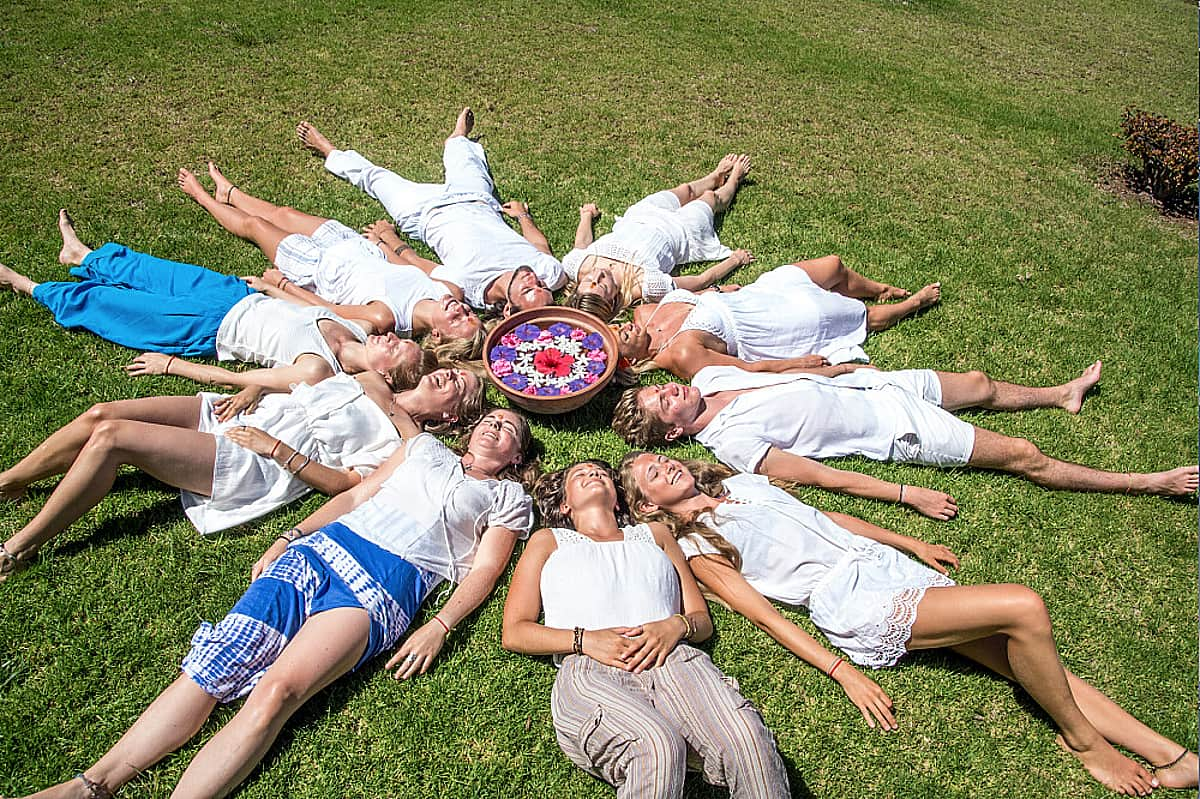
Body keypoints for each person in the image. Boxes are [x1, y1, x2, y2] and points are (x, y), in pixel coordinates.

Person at [14, 408, 538, 798]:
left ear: (516, 455)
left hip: (381, 586)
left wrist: (441, 625)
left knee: (279, 691)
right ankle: (93, 783)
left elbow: (487, 571)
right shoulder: (423, 447)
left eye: (508, 429)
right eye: (490, 419)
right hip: (320, 550)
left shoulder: (509, 499)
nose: (495, 427)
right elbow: (356, 496)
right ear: (470, 430)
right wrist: (290, 535)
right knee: (213, 664)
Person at [619, 452, 1199, 796]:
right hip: (855, 601)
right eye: (650, 473)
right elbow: (766, 616)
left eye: (662, 458)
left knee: (1028, 656)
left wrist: (909, 540)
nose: (664, 465)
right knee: (1023, 607)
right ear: (646, 504)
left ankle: (1173, 759)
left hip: (886, 568)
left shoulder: (745, 485)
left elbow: (832, 519)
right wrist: (840, 670)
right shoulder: (697, 545)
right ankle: (1083, 742)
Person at [0, 365, 485, 577]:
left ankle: (20, 546)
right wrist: (256, 386)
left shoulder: (402, 446)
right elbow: (303, 379)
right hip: (243, 412)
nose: (449, 374)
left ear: (451, 417)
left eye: (458, 385)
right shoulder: (372, 378)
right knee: (100, 415)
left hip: (254, 456)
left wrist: (275, 449)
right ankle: (11, 483)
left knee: (114, 439)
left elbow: (344, 485)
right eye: (454, 369)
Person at [502, 460, 790, 798]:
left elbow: (701, 620)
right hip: (591, 668)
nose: (593, 475)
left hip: (675, 659)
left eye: (601, 474)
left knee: (747, 741)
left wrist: (676, 625)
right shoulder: (550, 541)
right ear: (565, 503)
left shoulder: (654, 535)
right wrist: (583, 640)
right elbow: (515, 631)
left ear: (618, 498)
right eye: (580, 475)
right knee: (656, 746)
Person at [611, 363, 1197, 518]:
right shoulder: (732, 444)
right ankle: (1149, 482)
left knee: (979, 385)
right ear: (675, 430)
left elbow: (769, 372)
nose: (668, 390)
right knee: (1023, 456)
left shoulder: (711, 380)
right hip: (894, 431)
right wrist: (904, 493)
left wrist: (833, 371)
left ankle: (1059, 394)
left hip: (873, 385)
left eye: (660, 388)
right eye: (660, 402)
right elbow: (820, 478)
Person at [0, 212, 430, 393]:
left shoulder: (318, 371)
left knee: (110, 308)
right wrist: (271, 289)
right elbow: (309, 310)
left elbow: (243, 382)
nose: (392, 338)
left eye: (396, 350)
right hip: (235, 295)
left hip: (209, 329)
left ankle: (26, 285)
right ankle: (82, 255)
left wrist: (172, 366)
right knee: (152, 270)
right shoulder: (362, 329)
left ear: (384, 376)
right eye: (400, 340)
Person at [176, 163, 488, 363]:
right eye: (469, 315)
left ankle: (203, 196)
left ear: (436, 336)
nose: (461, 310)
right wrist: (382, 242)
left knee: (257, 226)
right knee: (283, 213)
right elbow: (403, 266)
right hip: (353, 246)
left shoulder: (388, 318)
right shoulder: (449, 289)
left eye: (458, 322)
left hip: (318, 266)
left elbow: (327, 309)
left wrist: (283, 286)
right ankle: (229, 193)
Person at [297, 108, 565, 313]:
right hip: (476, 199)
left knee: (376, 179)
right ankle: (458, 137)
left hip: (422, 212)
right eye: (539, 285)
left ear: (508, 308)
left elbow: (420, 265)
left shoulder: (468, 288)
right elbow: (539, 245)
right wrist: (522, 216)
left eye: (529, 289)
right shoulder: (549, 273)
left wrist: (389, 240)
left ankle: (328, 150)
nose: (534, 279)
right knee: (462, 154)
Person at [616, 256, 941, 380]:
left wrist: (719, 289)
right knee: (852, 316)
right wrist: (796, 364)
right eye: (621, 339)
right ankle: (910, 305)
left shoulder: (645, 311)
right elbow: (747, 370)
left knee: (832, 267)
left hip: (751, 296)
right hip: (766, 326)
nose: (621, 329)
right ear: (630, 362)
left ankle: (877, 287)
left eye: (616, 328)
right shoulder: (681, 355)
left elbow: (695, 296)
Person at [560, 154, 754, 320]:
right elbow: (700, 280)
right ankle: (734, 179)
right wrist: (735, 260)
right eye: (601, 285)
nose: (597, 275)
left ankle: (714, 176)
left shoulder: (576, 266)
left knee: (686, 190)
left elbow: (582, 244)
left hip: (642, 215)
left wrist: (586, 216)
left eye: (588, 282)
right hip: (681, 230)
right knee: (711, 198)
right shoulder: (645, 285)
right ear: (612, 300)